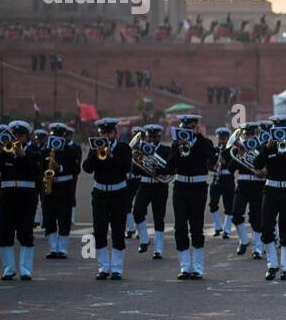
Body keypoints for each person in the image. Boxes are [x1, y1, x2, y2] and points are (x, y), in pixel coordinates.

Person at [254, 119, 286, 281]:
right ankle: (272, 265)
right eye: (276, 130)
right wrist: (267, 148)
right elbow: (257, 164)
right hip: (271, 189)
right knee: (266, 227)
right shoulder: (268, 146)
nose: (279, 134)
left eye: (282, 130)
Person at [165, 115, 216, 280]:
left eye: (191, 127)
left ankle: (198, 268)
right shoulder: (176, 144)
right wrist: (178, 148)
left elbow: (212, 159)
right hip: (181, 187)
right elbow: (169, 167)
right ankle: (185, 267)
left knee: (196, 227)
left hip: (198, 188)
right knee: (180, 227)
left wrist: (200, 137)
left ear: (197, 127)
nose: (188, 130)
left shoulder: (204, 143)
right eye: (185, 128)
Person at [0, 120, 41, 280]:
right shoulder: (4, 151)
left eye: (21, 135)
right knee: (5, 233)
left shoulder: (34, 152)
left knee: (26, 233)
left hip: (27, 195)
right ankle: (9, 268)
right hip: (7, 195)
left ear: (27, 136)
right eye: (15, 135)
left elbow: (37, 172)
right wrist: (2, 152)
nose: (17, 138)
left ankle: (25, 269)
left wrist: (23, 156)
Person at [83, 118, 133, 280]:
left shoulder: (124, 148)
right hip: (100, 194)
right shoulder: (96, 148)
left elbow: (124, 168)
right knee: (99, 231)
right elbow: (87, 168)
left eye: (108, 132)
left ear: (115, 133)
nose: (105, 135)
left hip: (118, 194)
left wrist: (110, 155)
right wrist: (97, 155)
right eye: (102, 133)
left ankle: (117, 268)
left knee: (118, 232)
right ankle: (104, 267)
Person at [42, 122, 81, 260]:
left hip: (64, 187)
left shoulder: (71, 151)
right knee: (49, 217)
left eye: (59, 135)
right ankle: (53, 248)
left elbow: (77, 170)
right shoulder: (45, 150)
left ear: (64, 136)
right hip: (49, 187)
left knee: (64, 218)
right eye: (54, 134)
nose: (56, 137)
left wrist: (61, 168)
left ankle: (63, 248)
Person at [131, 123, 170, 259]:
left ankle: (158, 249)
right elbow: (135, 170)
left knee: (159, 218)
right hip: (144, 185)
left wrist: (157, 170)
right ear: (146, 137)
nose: (152, 140)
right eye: (150, 137)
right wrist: (135, 158)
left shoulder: (166, 150)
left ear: (160, 136)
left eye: (155, 137)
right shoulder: (141, 150)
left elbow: (170, 168)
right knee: (137, 211)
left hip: (160, 186)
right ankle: (144, 240)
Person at [230, 121, 266, 259]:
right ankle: (244, 240)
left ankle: (257, 248)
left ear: (256, 134)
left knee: (256, 218)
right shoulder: (239, 148)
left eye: (251, 134)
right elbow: (230, 168)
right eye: (246, 134)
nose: (249, 137)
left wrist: (264, 171)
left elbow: (270, 166)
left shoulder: (263, 148)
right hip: (243, 184)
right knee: (236, 214)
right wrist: (237, 153)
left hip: (258, 185)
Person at [208, 126, 235, 239]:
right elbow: (208, 165)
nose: (221, 141)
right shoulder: (214, 150)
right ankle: (218, 226)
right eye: (220, 138)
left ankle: (227, 230)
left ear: (228, 138)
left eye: (224, 139)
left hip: (228, 179)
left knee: (229, 206)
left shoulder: (231, 151)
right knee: (213, 204)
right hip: (216, 179)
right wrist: (214, 166)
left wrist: (225, 162)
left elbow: (234, 166)